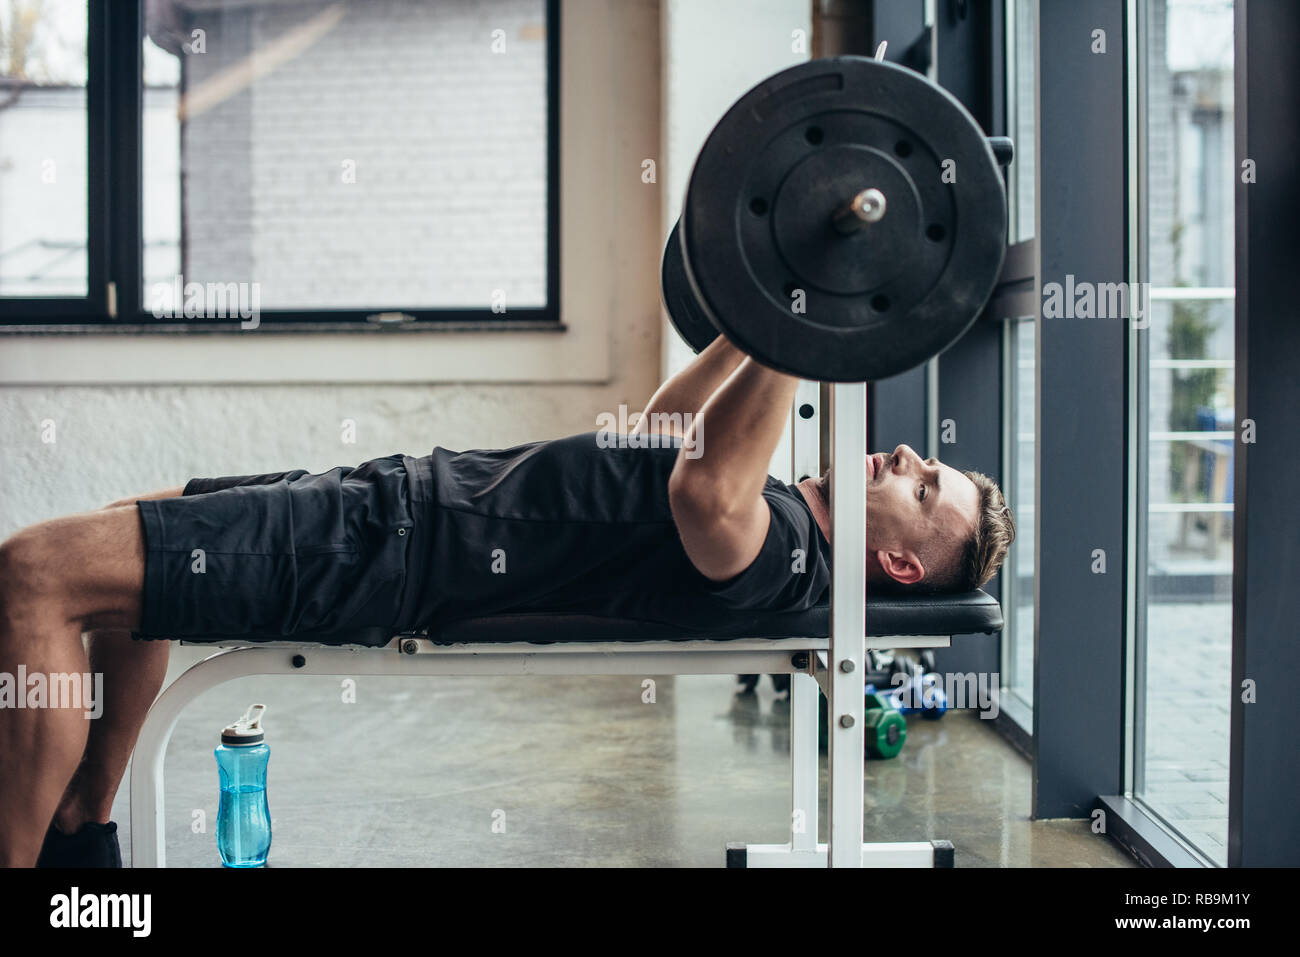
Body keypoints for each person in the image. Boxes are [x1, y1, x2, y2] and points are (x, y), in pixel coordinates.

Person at [0, 335, 1014, 867]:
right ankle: (82, 833)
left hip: (391, 552)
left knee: (36, 573)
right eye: (930, 465)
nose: (912, 459)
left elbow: (705, 493)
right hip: (393, 506)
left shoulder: (785, 554)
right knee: (137, 529)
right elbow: (661, 433)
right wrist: (755, 319)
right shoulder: (787, 507)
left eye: (926, 491)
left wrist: (802, 327)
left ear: (904, 570)